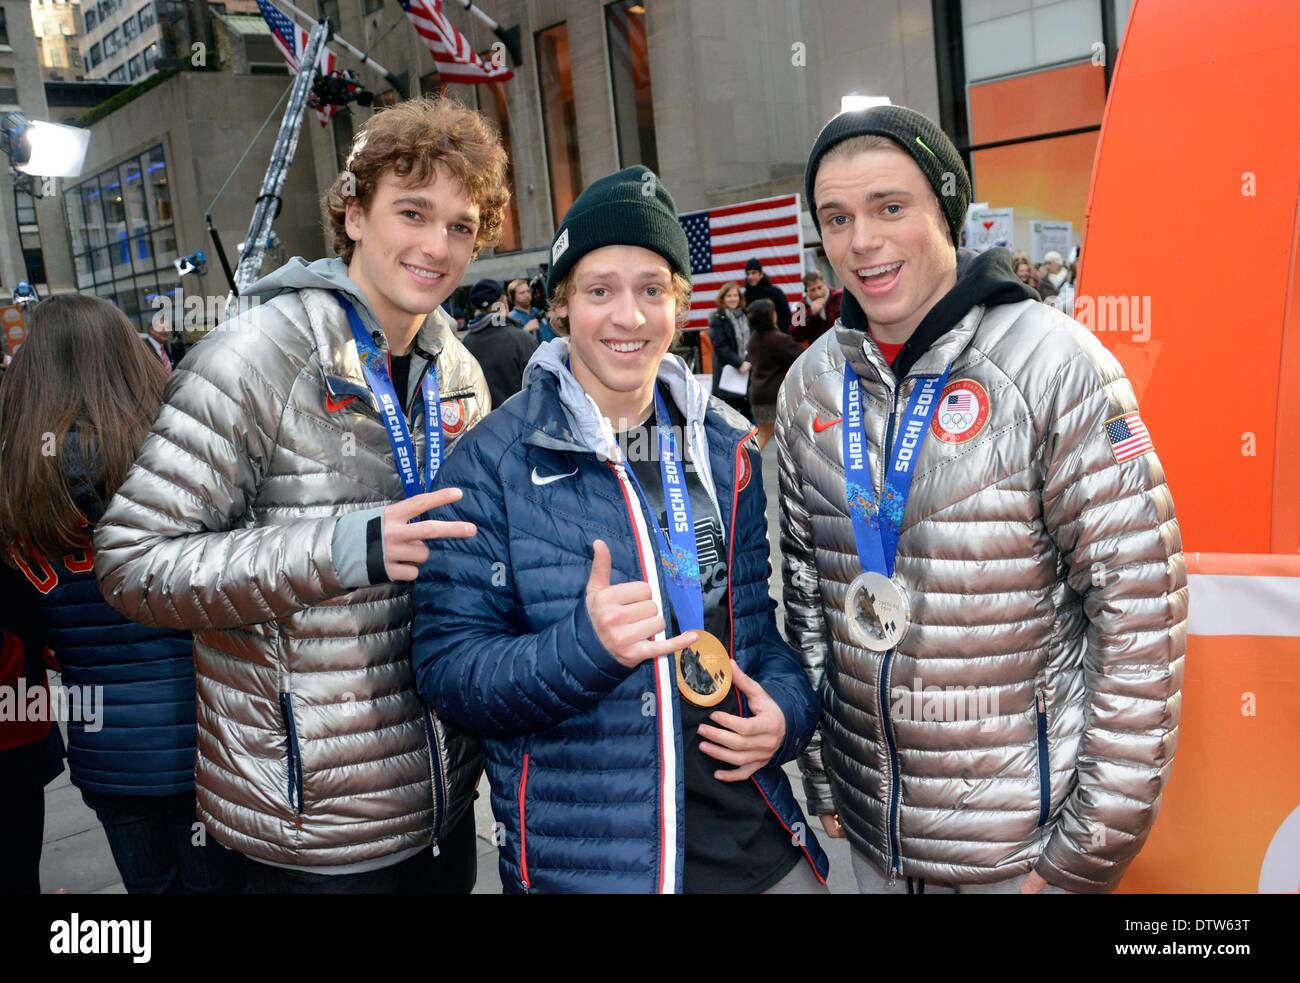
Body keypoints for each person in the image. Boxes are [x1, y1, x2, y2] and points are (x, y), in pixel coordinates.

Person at [93, 96, 505, 894]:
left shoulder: (457, 369)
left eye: (461, 225)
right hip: (304, 837)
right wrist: (346, 547)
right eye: (412, 212)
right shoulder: (253, 356)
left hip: (444, 810)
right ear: (353, 213)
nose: (436, 245)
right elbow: (131, 563)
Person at [778, 104, 1186, 894]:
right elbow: (810, 602)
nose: (862, 241)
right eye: (837, 217)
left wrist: (1086, 850)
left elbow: (1143, 608)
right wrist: (827, 772)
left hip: (1020, 852)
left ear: (946, 210)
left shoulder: (1054, 363)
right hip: (875, 837)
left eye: (890, 207)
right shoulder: (810, 385)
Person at [411, 165, 829, 894]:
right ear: (563, 305)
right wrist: (582, 649)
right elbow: (447, 673)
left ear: (680, 304)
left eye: (651, 290)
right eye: (600, 290)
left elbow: (760, 642)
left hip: (751, 838)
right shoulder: (491, 460)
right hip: (595, 862)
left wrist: (786, 717)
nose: (628, 317)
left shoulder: (725, 447)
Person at [0, 294, 238, 894]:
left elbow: (30, 639)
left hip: (106, 748)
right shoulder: (180, 458)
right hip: (205, 733)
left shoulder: (14, 491)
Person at [463, 277, 538, 408]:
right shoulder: (520, 339)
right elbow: (540, 389)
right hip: (521, 422)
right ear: (503, 301)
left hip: (483, 423)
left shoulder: (465, 343)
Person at [743, 299, 805, 450]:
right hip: (775, 395)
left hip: (757, 394)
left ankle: (745, 464)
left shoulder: (753, 339)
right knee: (794, 433)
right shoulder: (779, 340)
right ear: (770, 316)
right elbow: (803, 356)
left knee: (763, 433)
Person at [707, 280, 752, 418]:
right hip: (727, 372)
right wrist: (739, 363)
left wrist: (748, 361)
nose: (733, 299)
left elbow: (754, 341)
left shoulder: (747, 315)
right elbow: (720, 346)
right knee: (729, 416)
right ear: (723, 298)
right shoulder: (717, 318)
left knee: (748, 416)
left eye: (735, 295)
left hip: (748, 370)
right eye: (729, 296)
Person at [742, 257, 792, 331]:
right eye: (748, 274)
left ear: (761, 274)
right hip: (754, 338)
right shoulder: (744, 296)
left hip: (775, 336)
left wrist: (779, 333)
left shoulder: (775, 292)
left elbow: (786, 317)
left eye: (754, 273)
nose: (750, 277)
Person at [794, 269, 841, 347]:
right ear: (806, 290)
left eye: (819, 287)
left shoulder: (839, 297)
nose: (817, 293)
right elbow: (796, 334)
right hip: (818, 351)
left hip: (841, 346)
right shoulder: (802, 306)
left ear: (824, 284)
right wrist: (810, 313)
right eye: (812, 290)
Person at [506, 277, 553, 342]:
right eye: (522, 293)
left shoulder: (538, 311)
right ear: (513, 296)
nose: (527, 295)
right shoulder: (511, 318)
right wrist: (525, 331)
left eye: (528, 291)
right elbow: (511, 344)